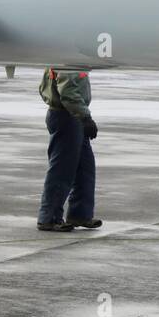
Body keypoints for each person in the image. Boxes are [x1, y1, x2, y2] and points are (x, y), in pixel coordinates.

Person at [36, 67, 102, 232]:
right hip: (67, 116)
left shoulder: (71, 55)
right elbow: (68, 93)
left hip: (71, 115)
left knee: (84, 168)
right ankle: (49, 218)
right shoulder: (70, 60)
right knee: (61, 170)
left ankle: (80, 214)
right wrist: (85, 117)